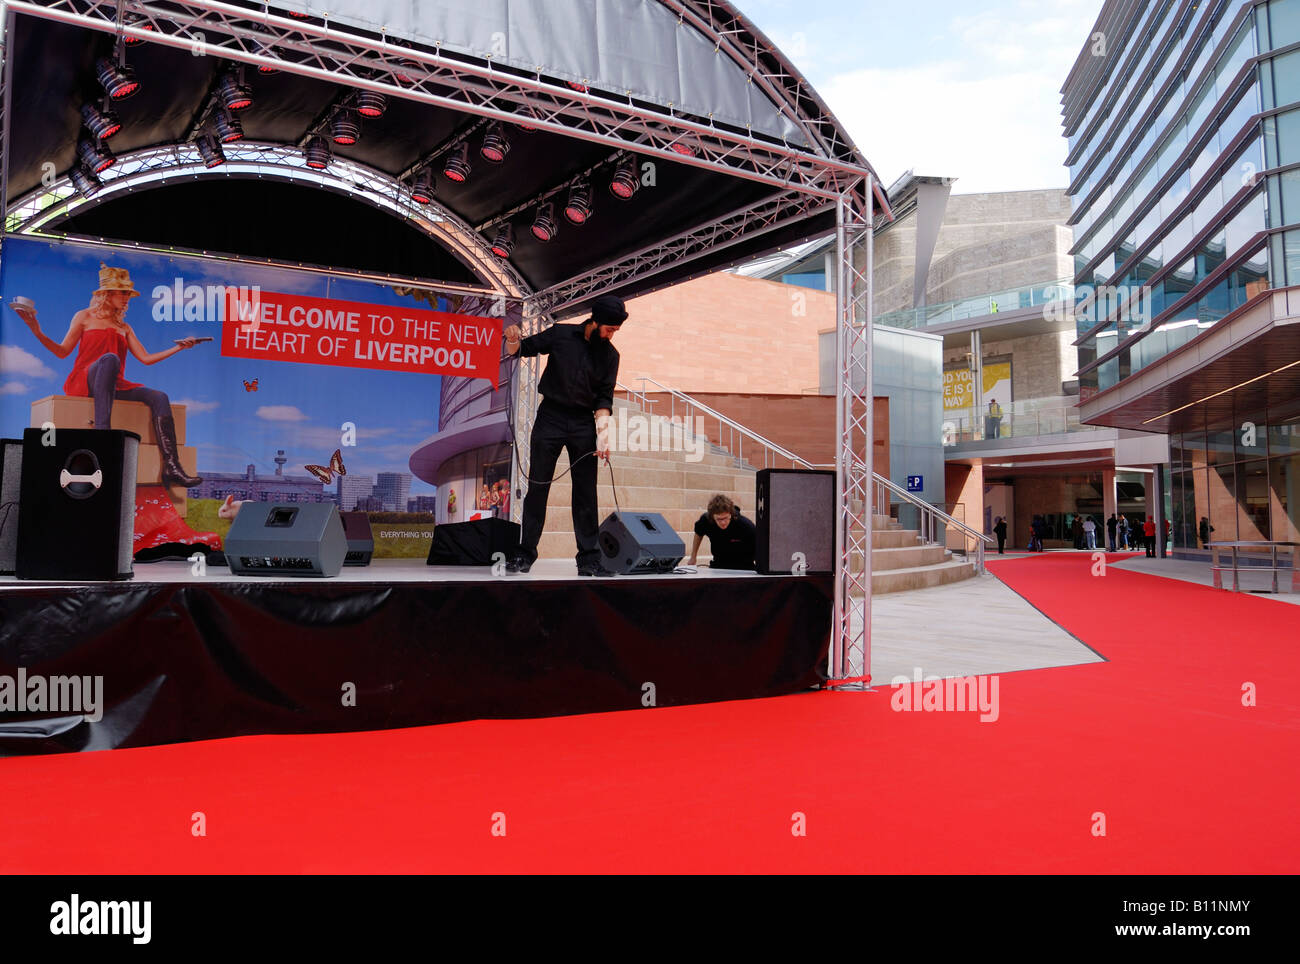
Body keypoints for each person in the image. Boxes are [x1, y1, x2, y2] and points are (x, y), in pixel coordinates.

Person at [12, 262, 203, 487]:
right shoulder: (84, 316)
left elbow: (146, 359)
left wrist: (180, 347)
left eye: (128, 294)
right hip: (85, 379)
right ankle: (103, 441)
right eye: (122, 293)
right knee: (110, 358)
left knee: (159, 396)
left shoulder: (125, 327)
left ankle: (172, 467)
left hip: (115, 383)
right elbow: (62, 352)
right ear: (107, 293)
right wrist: (36, 331)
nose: (126, 298)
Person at [502, 294, 626, 576]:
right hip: (551, 417)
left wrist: (603, 438)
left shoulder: (611, 356)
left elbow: (604, 399)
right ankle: (524, 555)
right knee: (538, 486)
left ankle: (589, 561)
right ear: (595, 321)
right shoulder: (561, 334)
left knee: (585, 492)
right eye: (609, 329)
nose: (611, 335)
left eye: (616, 331)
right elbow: (521, 349)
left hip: (584, 423)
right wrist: (512, 337)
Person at [688, 494, 756, 570]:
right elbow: (698, 533)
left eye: (725, 518)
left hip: (744, 567)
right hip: (718, 564)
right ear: (712, 517)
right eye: (719, 519)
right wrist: (693, 557)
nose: (723, 522)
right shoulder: (706, 520)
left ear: (731, 514)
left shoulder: (745, 525)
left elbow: (759, 546)